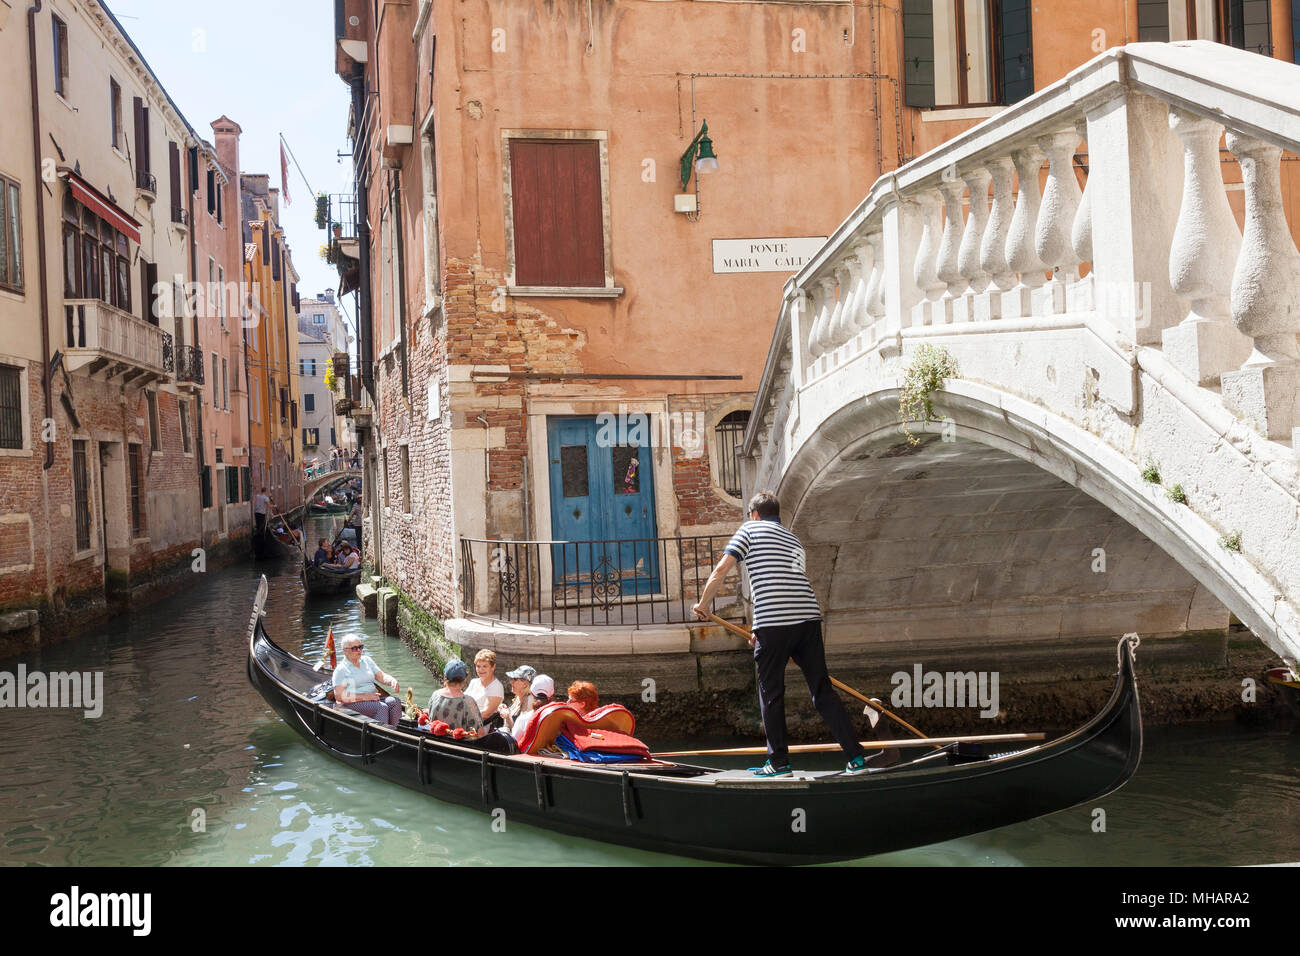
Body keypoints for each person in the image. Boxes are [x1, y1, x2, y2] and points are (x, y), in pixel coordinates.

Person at [693, 491, 873, 777]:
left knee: (771, 694)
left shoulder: (749, 529)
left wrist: (703, 604)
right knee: (822, 691)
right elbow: (787, 583)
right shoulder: (792, 538)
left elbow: (721, 569)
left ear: (754, 514)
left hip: (775, 624)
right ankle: (856, 758)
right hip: (808, 620)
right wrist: (760, 633)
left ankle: (778, 764)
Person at [332, 635, 402, 726]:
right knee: (381, 707)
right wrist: (364, 697)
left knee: (394, 702)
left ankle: (395, 732)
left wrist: (392, 680)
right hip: (352, 703)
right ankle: (381, 736)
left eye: (360, 647)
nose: (359, 650)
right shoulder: (341, 670)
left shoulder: (367, 660)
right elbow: (339, 696)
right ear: (345, 651)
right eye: (354, 648)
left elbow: (381, 676)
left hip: (373, 698)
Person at [426, 660, 484, 736]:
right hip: (458, 745)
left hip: (434, 742)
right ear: (465, 679)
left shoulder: (435, 695)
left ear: (445, 677)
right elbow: (480, 733)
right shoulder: (469, 701)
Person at [495, 664, 537, 743]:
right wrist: (504, 708)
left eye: (515, 679)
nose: (511, 682)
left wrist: (507, 717)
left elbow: (521, 734)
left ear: (525, 684)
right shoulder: (518, 697)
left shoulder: (529, 701)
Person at [466, 649, 504, 729]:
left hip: (481, 727)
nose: (480, 670)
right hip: (466, 719)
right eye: (478, 666)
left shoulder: (496, 687)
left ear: (493, 667)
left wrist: (463, 715)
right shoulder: (474, 682)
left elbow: (486, 714)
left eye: (485, 666)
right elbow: (462, 700)